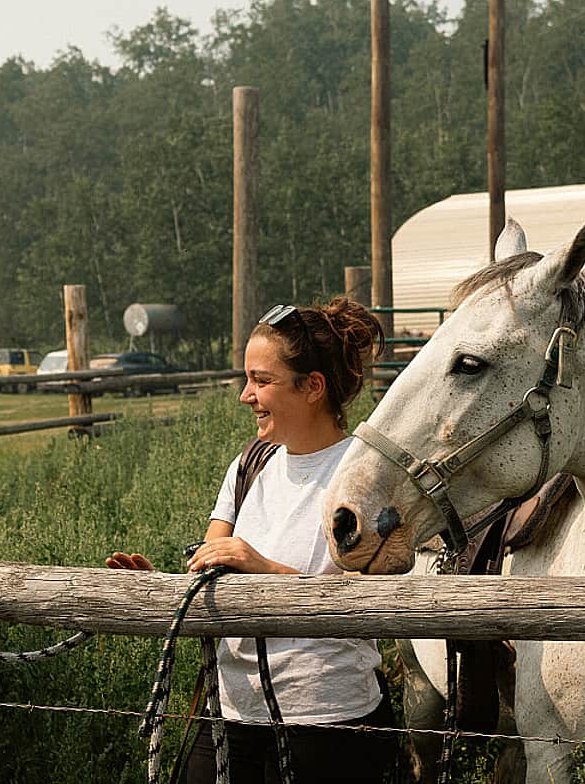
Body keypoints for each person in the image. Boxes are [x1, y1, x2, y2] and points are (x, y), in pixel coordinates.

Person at [107, 297, 393, 784]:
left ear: (313, 388)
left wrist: (261, 567)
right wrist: (163, 592)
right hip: (232, 709)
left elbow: (373, 605)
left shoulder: (364, 476)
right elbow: (210, 568)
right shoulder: (249, 465)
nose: (246, 395)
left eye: (262, 380)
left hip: (327, 719)